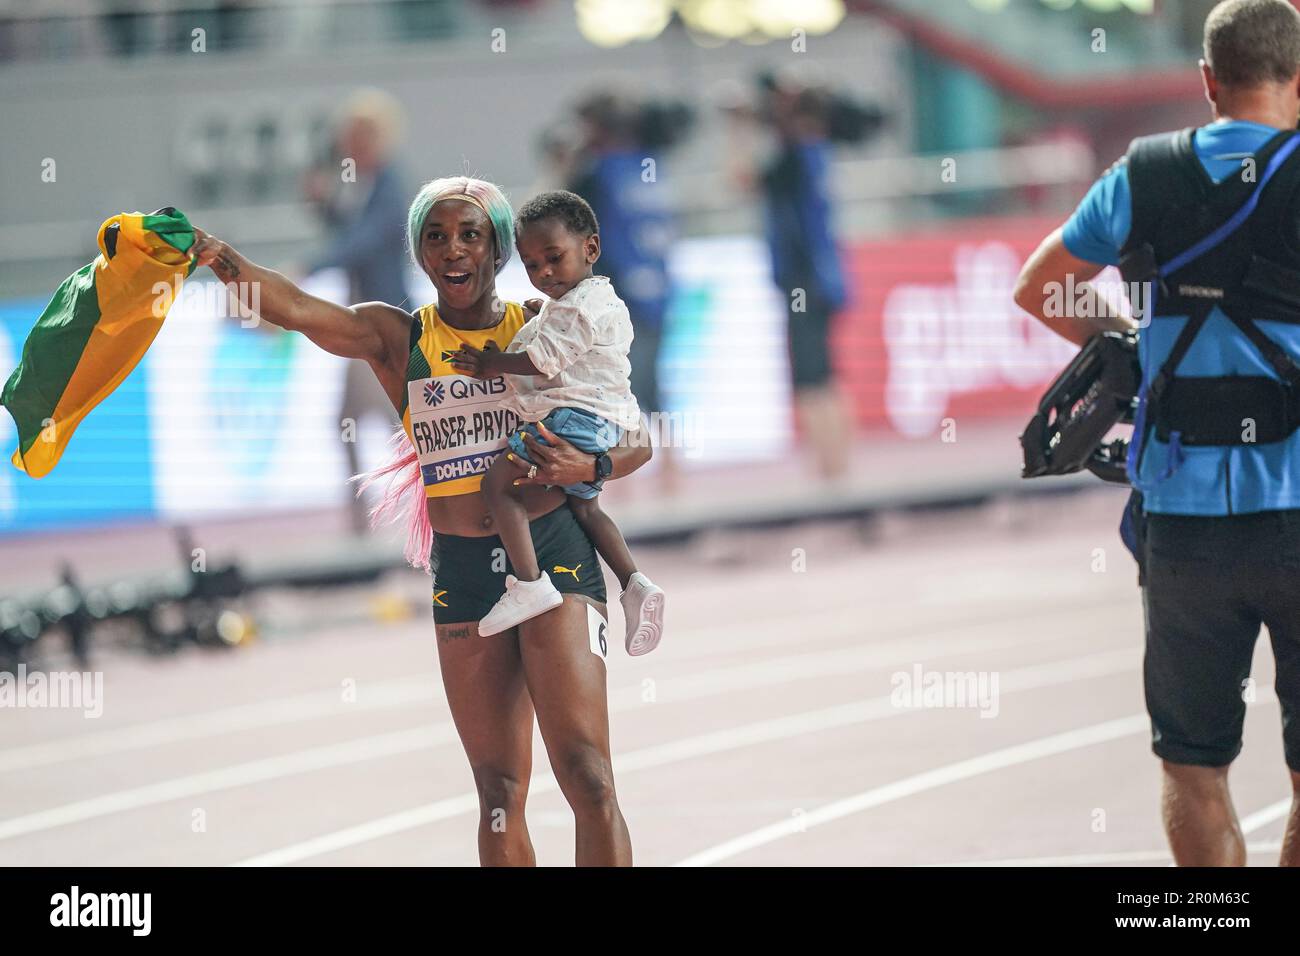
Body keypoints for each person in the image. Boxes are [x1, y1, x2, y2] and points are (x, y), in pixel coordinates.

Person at [188, 176, 652, 866]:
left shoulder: (544, 321)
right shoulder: (394, 336)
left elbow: (636, 436)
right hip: (465, 573)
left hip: (555, 550)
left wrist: (591, 471)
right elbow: (288, 307)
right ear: (419, 253)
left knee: (589, 776)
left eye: (470, 234)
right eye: (436, 236)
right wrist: (211, 252)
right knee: (498, 793)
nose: (453, 249)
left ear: (500, 248)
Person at [1014, 0, 1300, 867]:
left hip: (1181, 520)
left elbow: (1042, 287)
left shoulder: (1143, 174)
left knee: (1193, 762)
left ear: (1208, 81)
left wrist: (1125, 349)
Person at [450, 190, 666, 654]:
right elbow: (573, 340)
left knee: (498, 486)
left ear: (591, 248)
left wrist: (492, 364)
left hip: (573, 419)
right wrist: (543, 314)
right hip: (604, 420)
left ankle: (529, 582)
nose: (543, 273)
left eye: (554, 258)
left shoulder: (573, 308)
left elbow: (543, 361)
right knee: (586, 508)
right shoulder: (598, 298)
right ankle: (634, 583)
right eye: (531, 265)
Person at [726, 71, 854, 482]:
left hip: (804, 280)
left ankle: (830, 473)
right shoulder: (817, 152)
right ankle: (838, 468)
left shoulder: (793, 157)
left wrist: (740, 130)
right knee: (828, 374)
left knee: (811, 379)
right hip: (825, 275)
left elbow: (740, 178)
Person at [301, 89, 412, 534]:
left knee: (398, 424)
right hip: (365, 325)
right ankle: (366, 521)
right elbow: (352, 234)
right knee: (363, 421)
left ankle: (396, 517)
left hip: (385, 324)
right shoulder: (363, 185)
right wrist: (323, 205)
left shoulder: (388, 184)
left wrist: (309, 267)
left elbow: (364, 242)